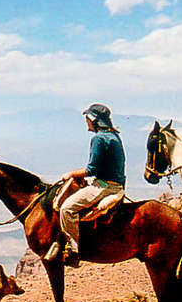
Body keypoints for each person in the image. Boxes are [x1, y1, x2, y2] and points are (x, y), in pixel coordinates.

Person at [46, 103, 126, 265]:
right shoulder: (113, 136)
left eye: (87, 119)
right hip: (114, 183)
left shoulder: (99, 139)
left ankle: (74, 250)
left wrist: (71, 174)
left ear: (94, 120)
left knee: (67, 208)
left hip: (104, 187)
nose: (86, 122)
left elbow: (91, 169)